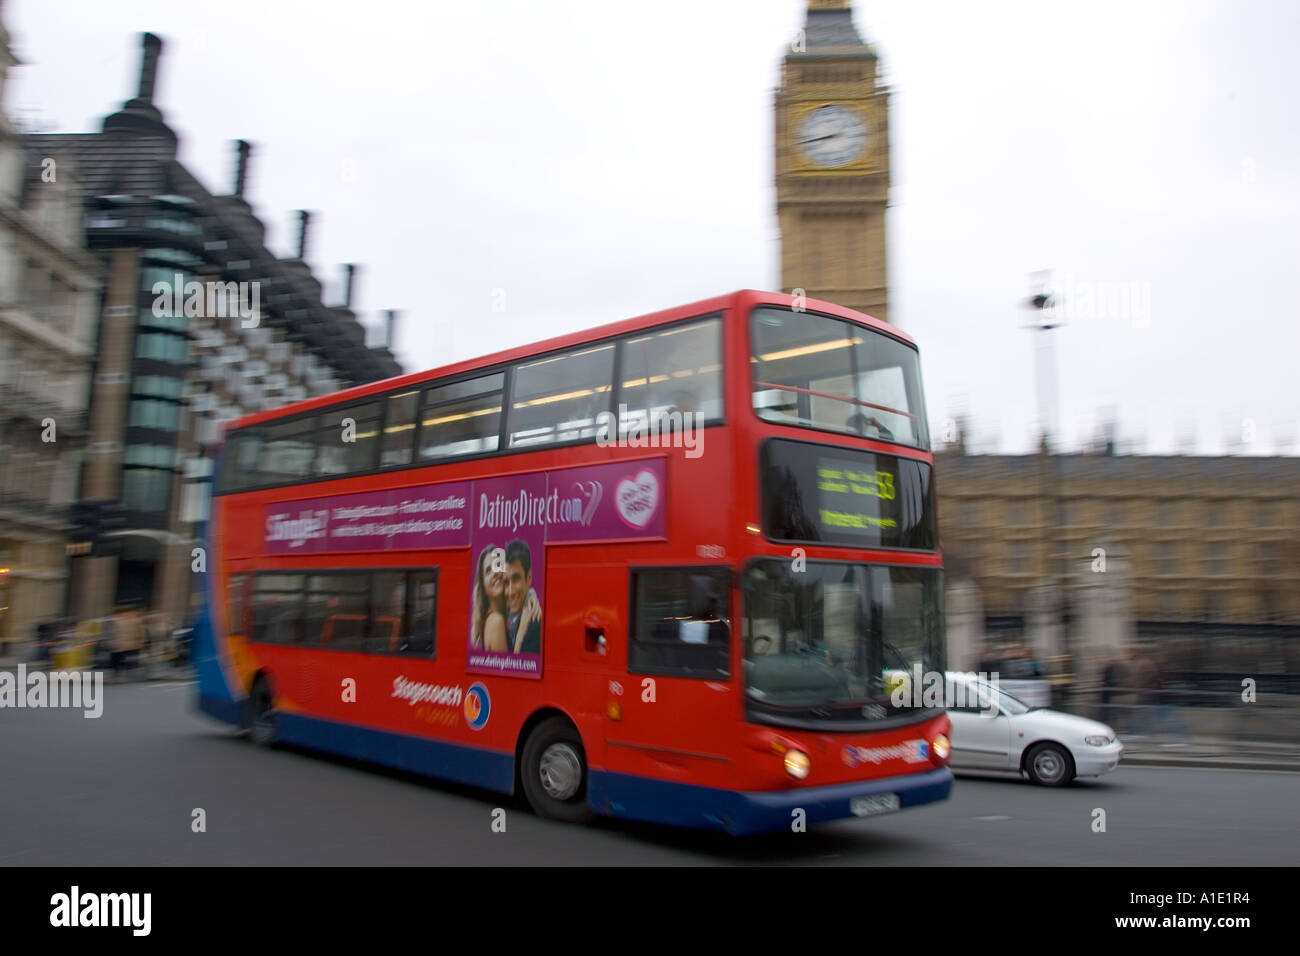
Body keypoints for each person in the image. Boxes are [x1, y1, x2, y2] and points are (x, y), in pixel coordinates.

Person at [504, 539, 542, 654]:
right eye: (506, 582)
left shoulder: (534, 628)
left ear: (529, 577)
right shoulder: (501, 615)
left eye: (516, 579)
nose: (510, 592)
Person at [471, 545, 509, 652]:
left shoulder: (499, 617)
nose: (495, 573)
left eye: (498, 565)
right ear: (483, 588)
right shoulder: (496, 621)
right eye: (488, 571)